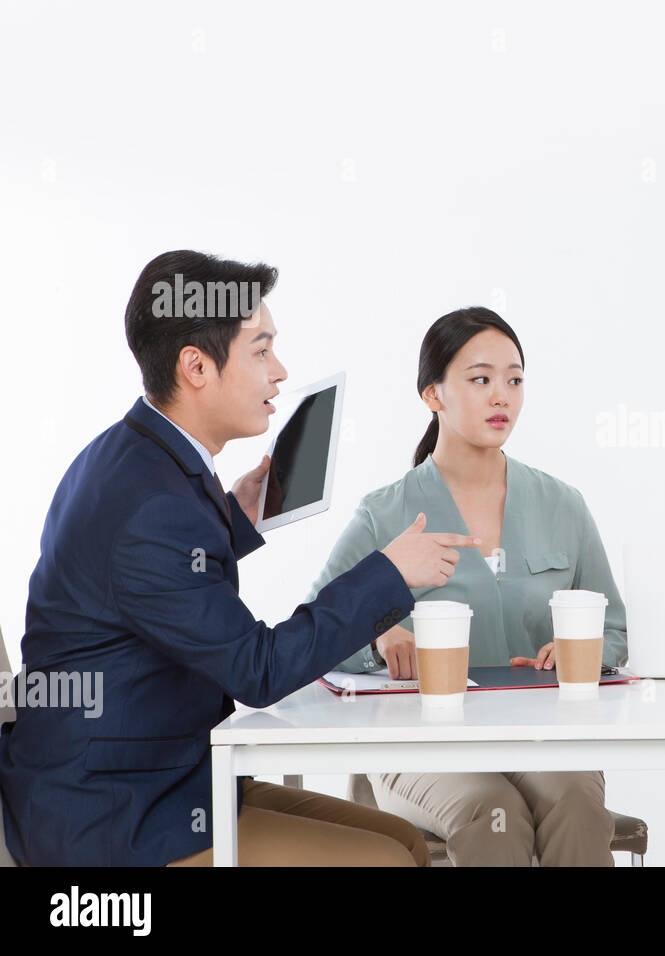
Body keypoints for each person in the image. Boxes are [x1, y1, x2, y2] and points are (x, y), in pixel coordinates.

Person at [0, 250, 475, 867]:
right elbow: (257, 669)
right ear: (196, 367)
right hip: (114, 816)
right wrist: (390, 572)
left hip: (165, 781)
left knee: (407, 842)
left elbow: (154, 587)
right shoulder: (147, 505)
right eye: (260, 350)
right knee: (385, 862)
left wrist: (234, 518)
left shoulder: (139, 455)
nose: (280, 372)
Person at [306, 306, 627, 866]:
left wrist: (582, 654)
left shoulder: (563, 505)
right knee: (492, 814)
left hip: (538, 734)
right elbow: (313, 629)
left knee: (577, 800)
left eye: (514, 379)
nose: (501, 395)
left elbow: (615, 631)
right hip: (422, 742)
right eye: (481, 379)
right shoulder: (387, 513)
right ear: (433, 394)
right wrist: (379, 637)